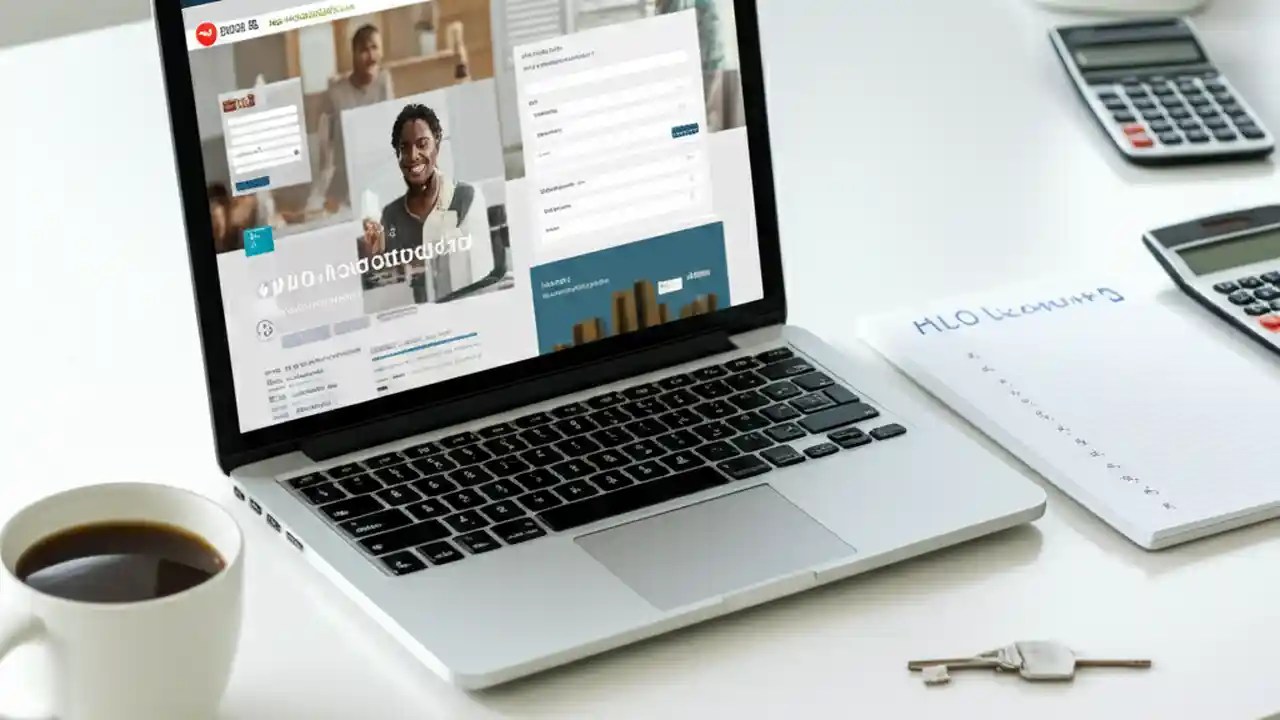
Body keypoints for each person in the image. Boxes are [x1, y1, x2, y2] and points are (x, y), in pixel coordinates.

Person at [359, 104, 489, 304]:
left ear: (437, 145)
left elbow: (473, 270)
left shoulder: (465, 198)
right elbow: (391, 284)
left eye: (422, 144)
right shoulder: (391, 216)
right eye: (404, 147)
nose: (412, 155)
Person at [316, 24, 395, 211]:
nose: (370, 56)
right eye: (364, 50)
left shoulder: (384, 81)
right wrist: (322, 190)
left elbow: (391, 131)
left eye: (375, 48)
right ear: (353, 55)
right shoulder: (336, 93)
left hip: (380, 176)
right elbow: (325, 148)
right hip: (346, 184)